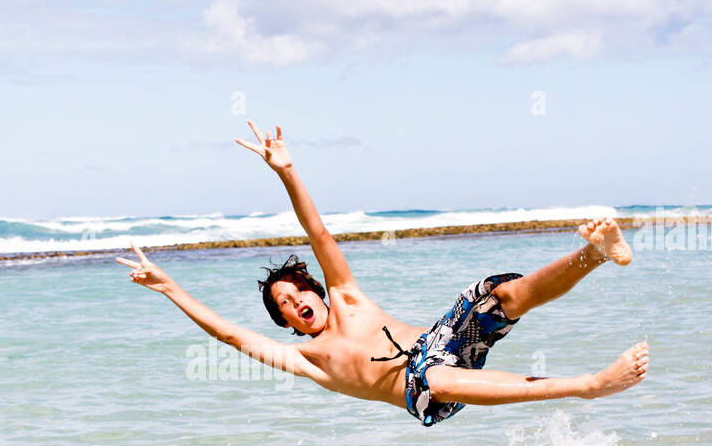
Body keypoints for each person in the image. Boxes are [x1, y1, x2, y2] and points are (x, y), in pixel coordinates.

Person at [117, 121, 648, 427]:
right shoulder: (309, 359)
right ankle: (587, 385)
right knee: (436, 377)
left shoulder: (347, 297)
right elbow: (230, 334)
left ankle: (596, 253)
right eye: (284, 306)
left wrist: (288, 172)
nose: (295, 301)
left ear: (317, 290)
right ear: (288, 325)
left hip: (444, 340)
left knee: (497, 293)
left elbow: (318, 234)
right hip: (424, 389)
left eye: (298, 290)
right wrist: (169, 288)